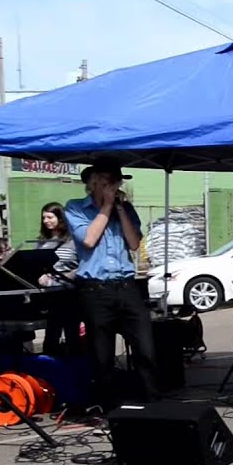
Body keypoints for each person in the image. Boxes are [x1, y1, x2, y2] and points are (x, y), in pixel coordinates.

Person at [64, 159, 157, 415]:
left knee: (146, 349)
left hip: (126, 286)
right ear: (94, 182)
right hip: (95, 289)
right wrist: (105, 206)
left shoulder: (124, 209)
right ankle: (109, 410)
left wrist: (120, 209)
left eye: (116, 182)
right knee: (102, 356)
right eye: (107, 182)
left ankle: (151, 404)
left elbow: (135, 243)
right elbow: (89, 239)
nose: (112, 186)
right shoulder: (76, 209)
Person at [36, 202, 82, 355]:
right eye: (44, 218)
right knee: (51, 334)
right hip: (50, 295)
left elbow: (82, 264)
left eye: (50, 217)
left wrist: (68, 277)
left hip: (70, 292)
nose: (46, 221)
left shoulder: (73, 240)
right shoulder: (42, 241)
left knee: (72, 333)